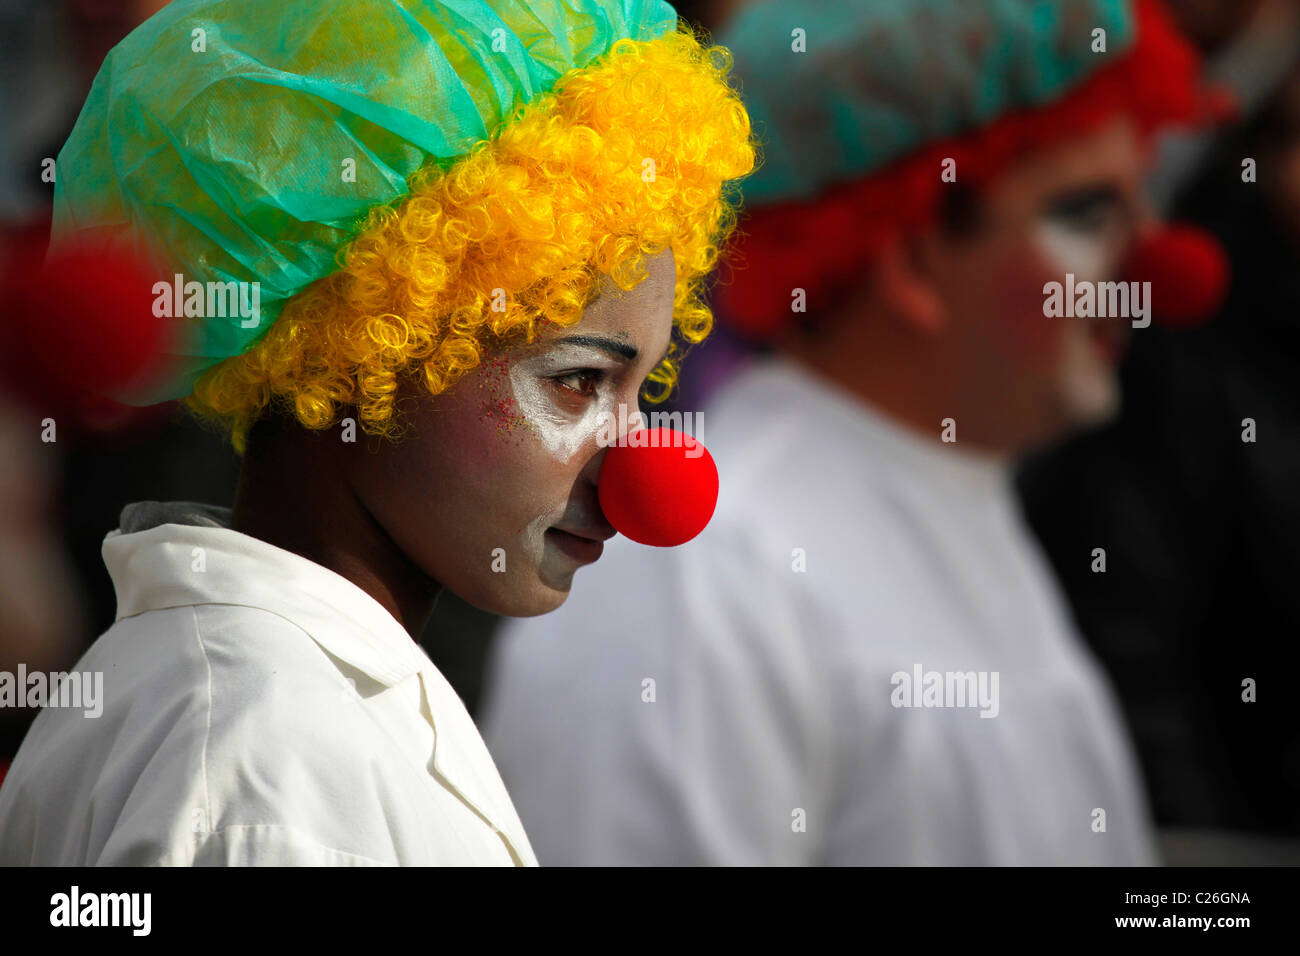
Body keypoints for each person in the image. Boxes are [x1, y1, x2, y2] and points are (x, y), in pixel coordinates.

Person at [0, 0, 755, 865]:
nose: (644, 477)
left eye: (643, 386)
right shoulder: (271, 772)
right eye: (578, 381)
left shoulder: (264, 709)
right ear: (359, 345)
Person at [481, 0, 1220, 865]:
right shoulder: (710, 574)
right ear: (910, 260)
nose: (1158, 266)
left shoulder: (960, 496)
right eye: (1087, 215)